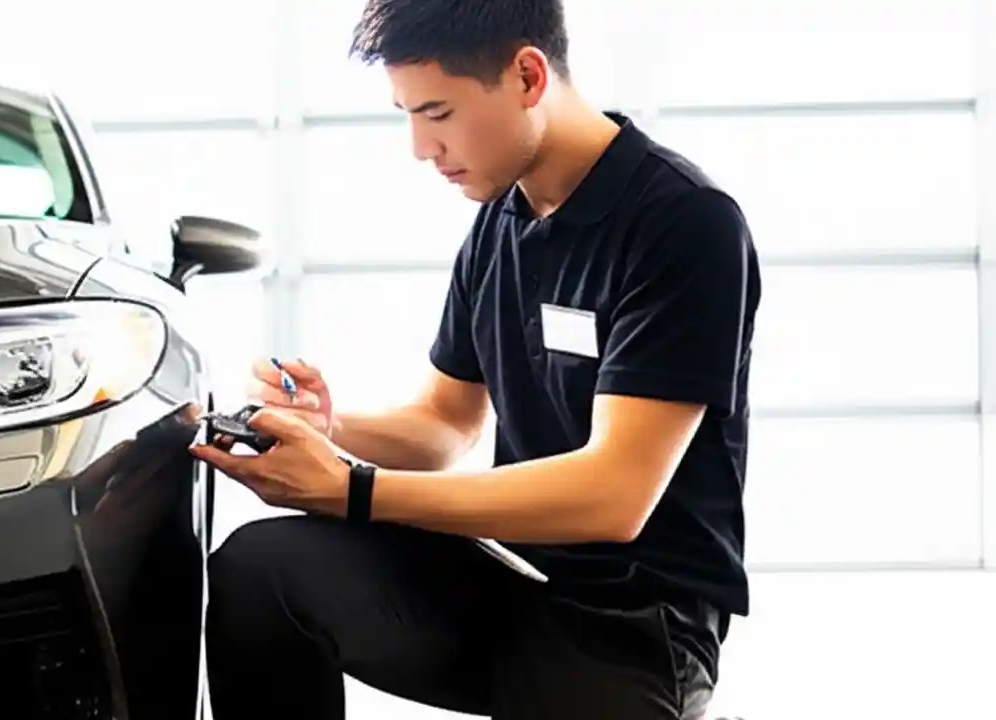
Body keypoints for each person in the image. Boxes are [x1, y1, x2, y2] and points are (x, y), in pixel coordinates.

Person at [189, 1, 761, 717]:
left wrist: (351, 488)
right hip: (509, 579)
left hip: (632, 623)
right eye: (408, 115)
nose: (421, 148)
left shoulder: (685, 222)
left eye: (437, 113)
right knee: (258, 571)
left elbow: (615, 494)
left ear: (527, 75)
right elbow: (445, 424)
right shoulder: (502, 220)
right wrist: (330, 429)